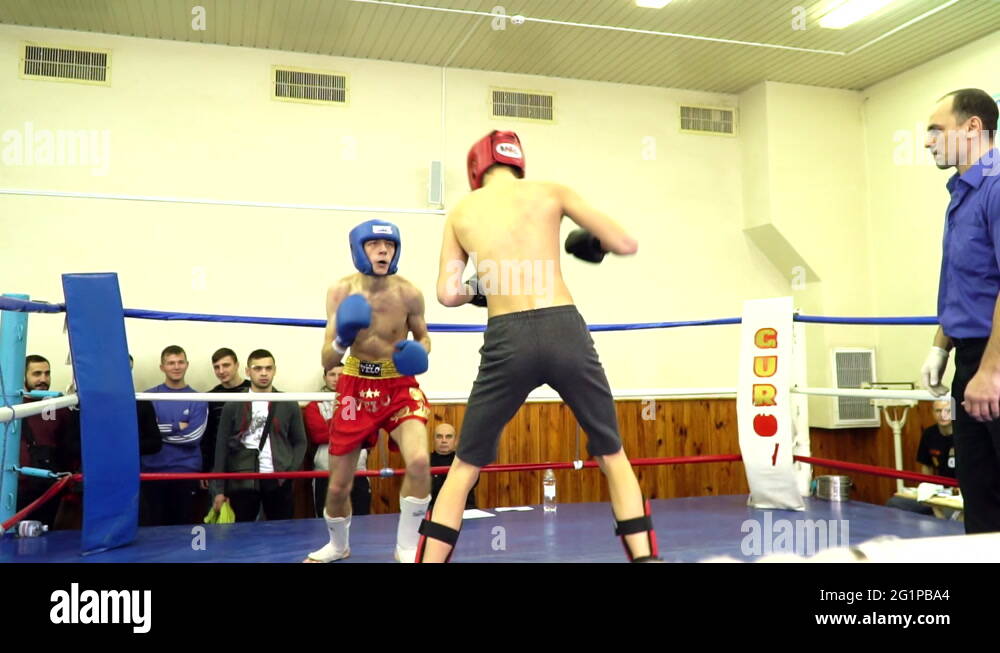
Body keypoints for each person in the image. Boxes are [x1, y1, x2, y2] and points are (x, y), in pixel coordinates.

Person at [417, 130, 659, 562]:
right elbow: (627, 242)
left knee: (465, 466)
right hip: (564, 329)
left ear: (476, 169)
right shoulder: (552, 191)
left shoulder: (462, 211)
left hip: (506, 338)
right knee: (612, 453)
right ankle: (645, 558)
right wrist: (595, 243)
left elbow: (447, 293)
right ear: (518, 161)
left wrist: (481, 288)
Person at [305, 219, 433, 563]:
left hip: (398, 384)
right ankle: (338, 545)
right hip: (355, 385)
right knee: (338, 484)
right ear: (359, 250)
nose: (383, 251)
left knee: (419, 461)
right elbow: (327, 359)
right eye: (374, 244)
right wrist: (343, 339)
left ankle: (406, 546)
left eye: (389, 245)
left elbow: (424, 338)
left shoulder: (409, 293)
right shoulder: (340, 291)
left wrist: (419, 352)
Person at [919, 88, 1000, 534]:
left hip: (994, 359)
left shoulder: (997, 186)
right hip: (969, 358)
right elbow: (964, 281)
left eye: (936, 129)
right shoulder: (961, 194)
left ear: (972, 127)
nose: (927, 141)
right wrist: (940, 346)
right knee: (979, 494)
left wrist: (991, 370)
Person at [210, 349, 306, 522]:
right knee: (242, 533)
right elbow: (221, 447)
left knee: (282, 531)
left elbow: (300, 442)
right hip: (242, 478)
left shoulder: (288, 403)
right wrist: (218, 490)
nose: (263, 373)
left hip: (278, 479)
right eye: (257, 368)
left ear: (274, 371)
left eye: (268, 368)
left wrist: (289, 472)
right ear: (248, 371)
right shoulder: (233, 404)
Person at [140, 345, 208, 526]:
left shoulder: (198, 399)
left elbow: (193, 437)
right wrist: (177, 426)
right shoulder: (147, 397)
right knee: (152, 530)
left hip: (184, 472)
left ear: (187, 365)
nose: (176, 367)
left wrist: (156, 435)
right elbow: (143, 434)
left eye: (180, 362)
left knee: (181, 529)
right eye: (171, 363)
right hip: (151, 472)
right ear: (162, 367)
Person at [302, 364, 372, 517]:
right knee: (325, 522)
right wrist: (348, 427)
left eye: (341, 375)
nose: (336, 379)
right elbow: (319, 435)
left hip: (357, 471)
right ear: (324, 377)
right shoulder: (315, 404)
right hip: (325, 472)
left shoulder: (360, 402)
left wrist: (333, 425)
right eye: (332, 374)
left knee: (362, 521)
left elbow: (366, 433)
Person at [17, 355, 73, 528]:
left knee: (46, 533)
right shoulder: (9, 406)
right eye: (37, 374)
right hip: (17, 486)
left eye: (47, 373)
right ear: (23, 376)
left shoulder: (58, 406)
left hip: (49, 485)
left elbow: (68, 445)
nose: (43, 379)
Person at [430, 422, 477, 510]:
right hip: (434, 510)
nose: (444, 440)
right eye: (439, 436)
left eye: (448, 436)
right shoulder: (424, 462)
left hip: (464, 509)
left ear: (455, 440)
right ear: (433, 440)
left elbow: (472, 483)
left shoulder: (465, 461)